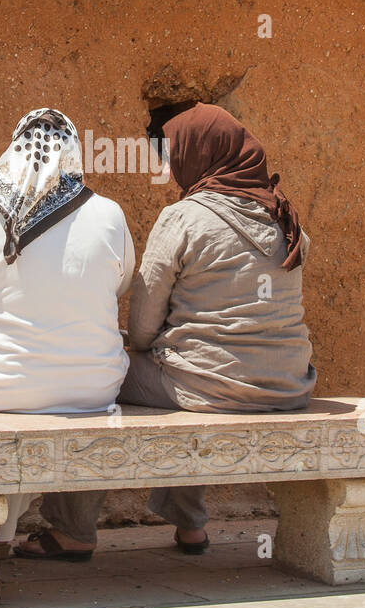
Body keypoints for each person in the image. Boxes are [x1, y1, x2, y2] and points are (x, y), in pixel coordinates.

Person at [19, 102, 315, 560]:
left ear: (199, 154)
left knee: (97, 381)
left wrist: (141, 347)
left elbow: (141, 327)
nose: (172, 166)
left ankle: (72, 530)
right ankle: (191, 527)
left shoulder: (183, 219)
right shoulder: (284, 219)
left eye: (175, 154)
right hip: (288, 385)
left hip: (213, 386)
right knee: (195, 371)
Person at [0, 108, 136, 558]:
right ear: (72, 153)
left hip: (1, 387)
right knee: (33, 406)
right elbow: (120, 283)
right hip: (95, 389)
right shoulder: (108, 212)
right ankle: (3, 536)